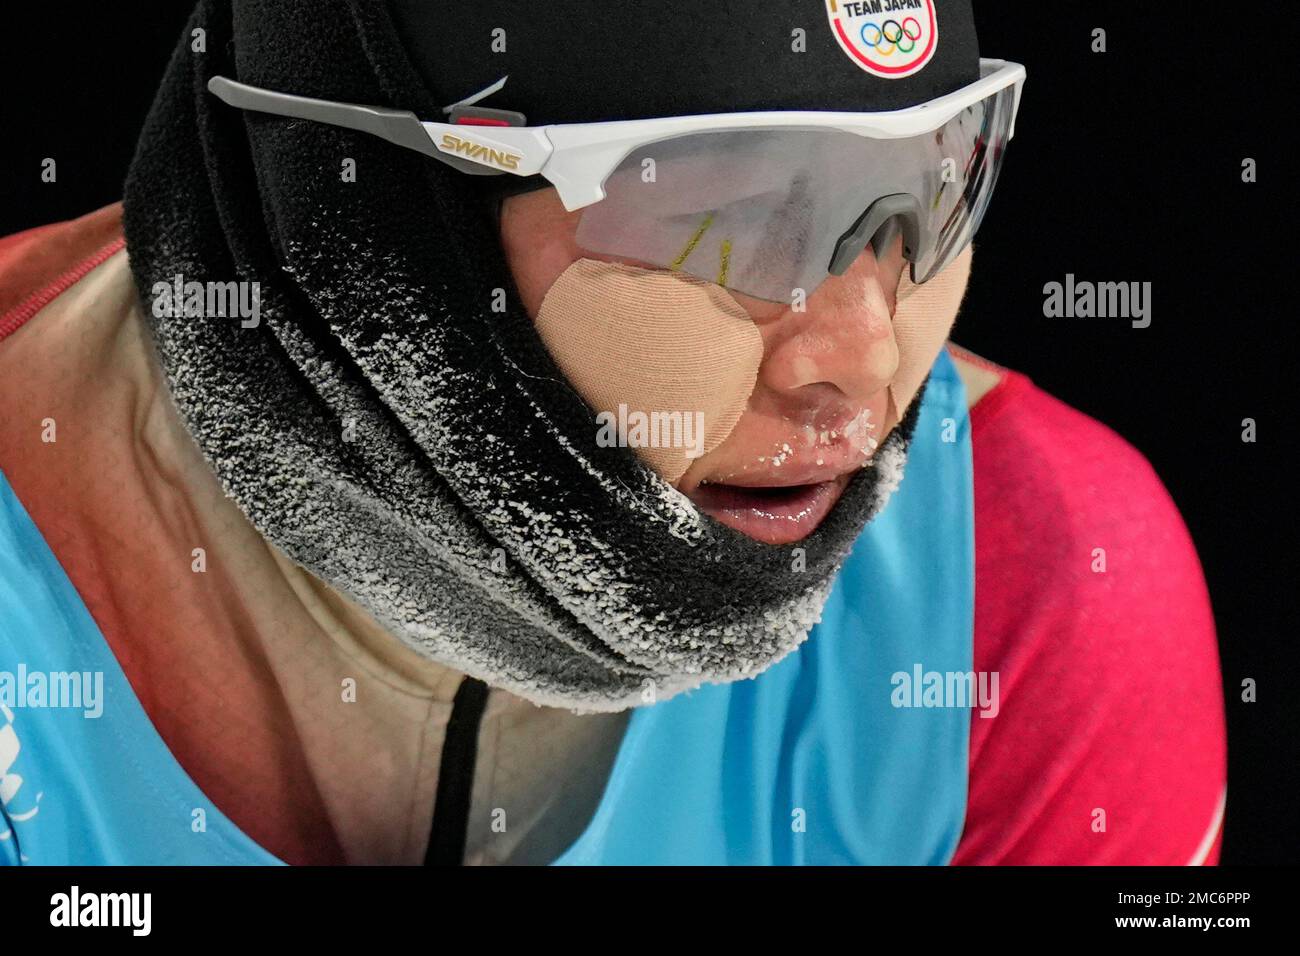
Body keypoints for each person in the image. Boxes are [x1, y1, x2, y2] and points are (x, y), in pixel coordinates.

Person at [0, 0, 1224, 865]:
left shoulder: (1036, 587)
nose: (857, 373)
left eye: (936, 189)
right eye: (722, 221)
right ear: (367, 218)